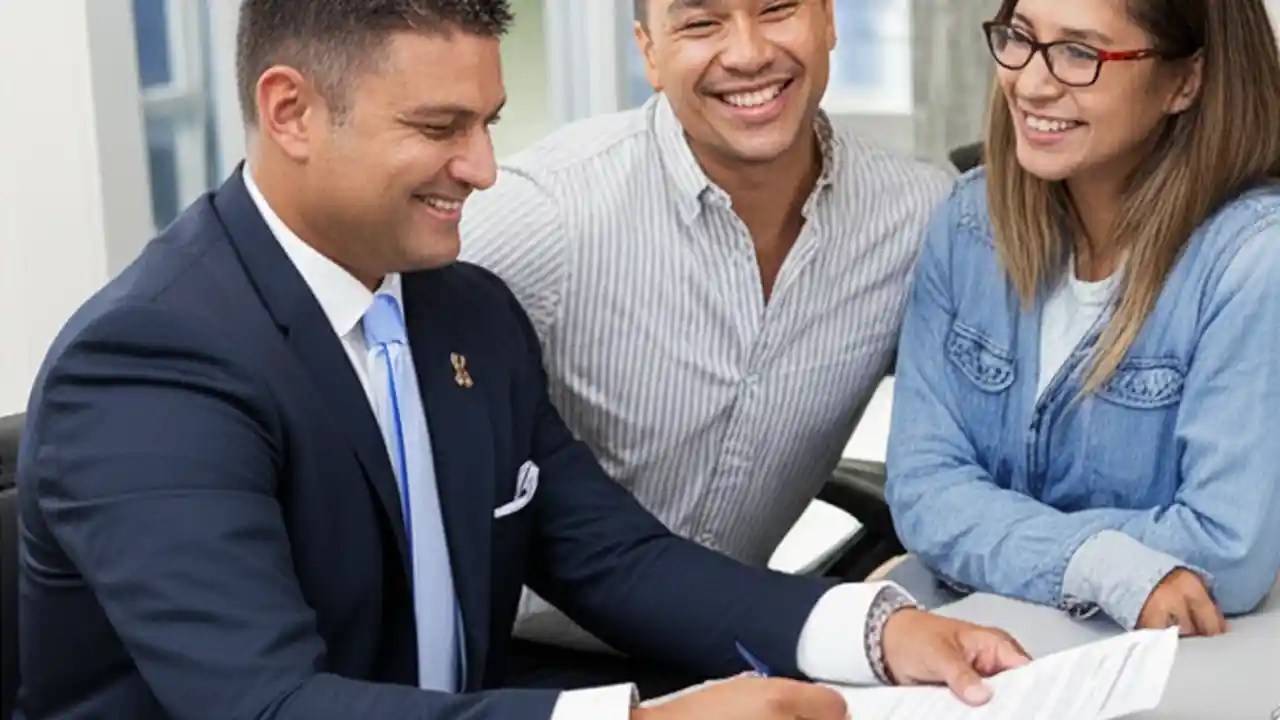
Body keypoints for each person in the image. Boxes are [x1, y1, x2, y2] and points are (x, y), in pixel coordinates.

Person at [15, 1, 1029, 718]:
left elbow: (611, 555)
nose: (484, 168)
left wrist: (873, 632)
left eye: (487, 123)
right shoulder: (152, 360)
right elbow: (264, 703)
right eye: (437, 127)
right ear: (290, 113)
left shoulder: (461, 311)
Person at [459, 0, 951, 686]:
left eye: (777, 9)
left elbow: (966, 445)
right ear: (650, 53)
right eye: (701, 23)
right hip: (521, 659)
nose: (748, 52)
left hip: (739, 647)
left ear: (830, 20)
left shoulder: (919, 219)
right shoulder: (545, 213)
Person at [886, 0, 1280, 638]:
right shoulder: (967, 223)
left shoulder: (1253, 261)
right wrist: (1096, 562)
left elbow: (1225, 551)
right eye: (1020, 38)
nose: (1031, 83)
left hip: (1153, 669)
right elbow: (922, 487)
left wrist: (996, 534)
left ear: (1185, 81)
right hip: (968, 639)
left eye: (1080, 53)